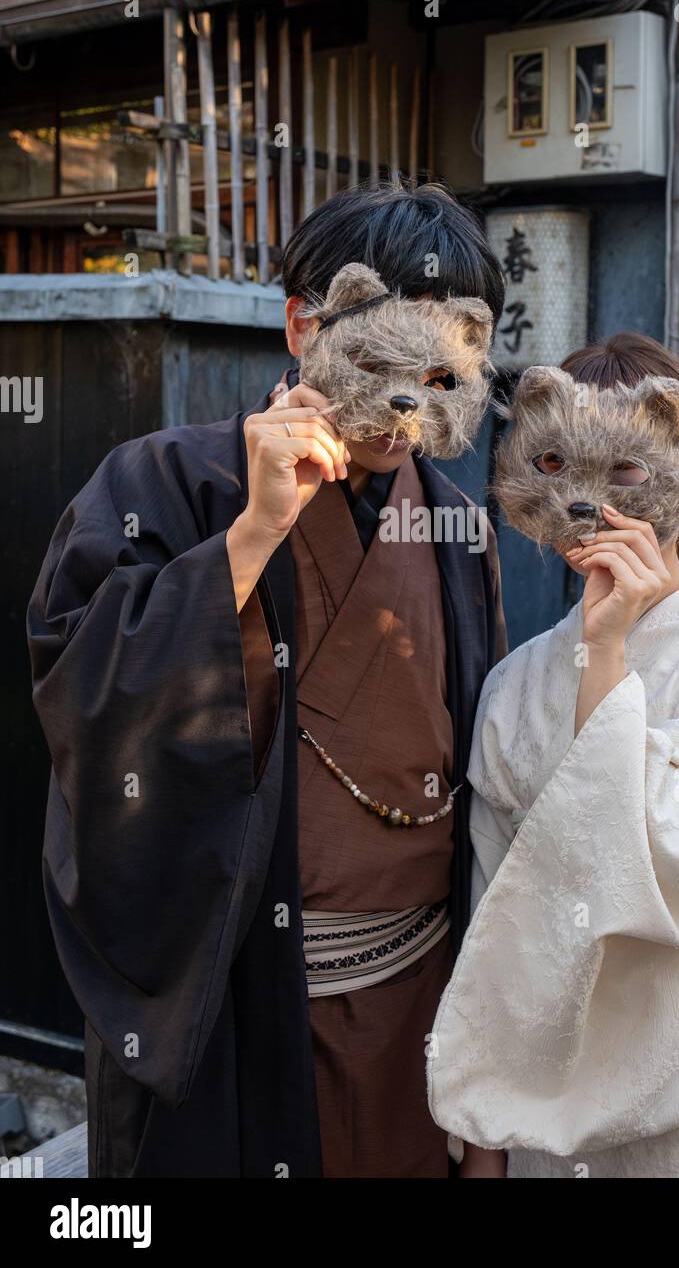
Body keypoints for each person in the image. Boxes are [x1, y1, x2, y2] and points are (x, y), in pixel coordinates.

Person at [27, 179, 507, 1178]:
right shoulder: (162, 483)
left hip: (414, 999)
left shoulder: (457, 525)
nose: (402, 402)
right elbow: (83, 691)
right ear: (302, 326)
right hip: (233, 999)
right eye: (376, 359)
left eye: (437, 367)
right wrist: (250, 537)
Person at [428, 331, 679, 1179]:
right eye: (558, 466)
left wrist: (606, 656)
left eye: (628, 471)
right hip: (554, 1101)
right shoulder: (513, 684)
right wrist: (486, 1141)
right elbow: (501, 918)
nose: (589, 502)